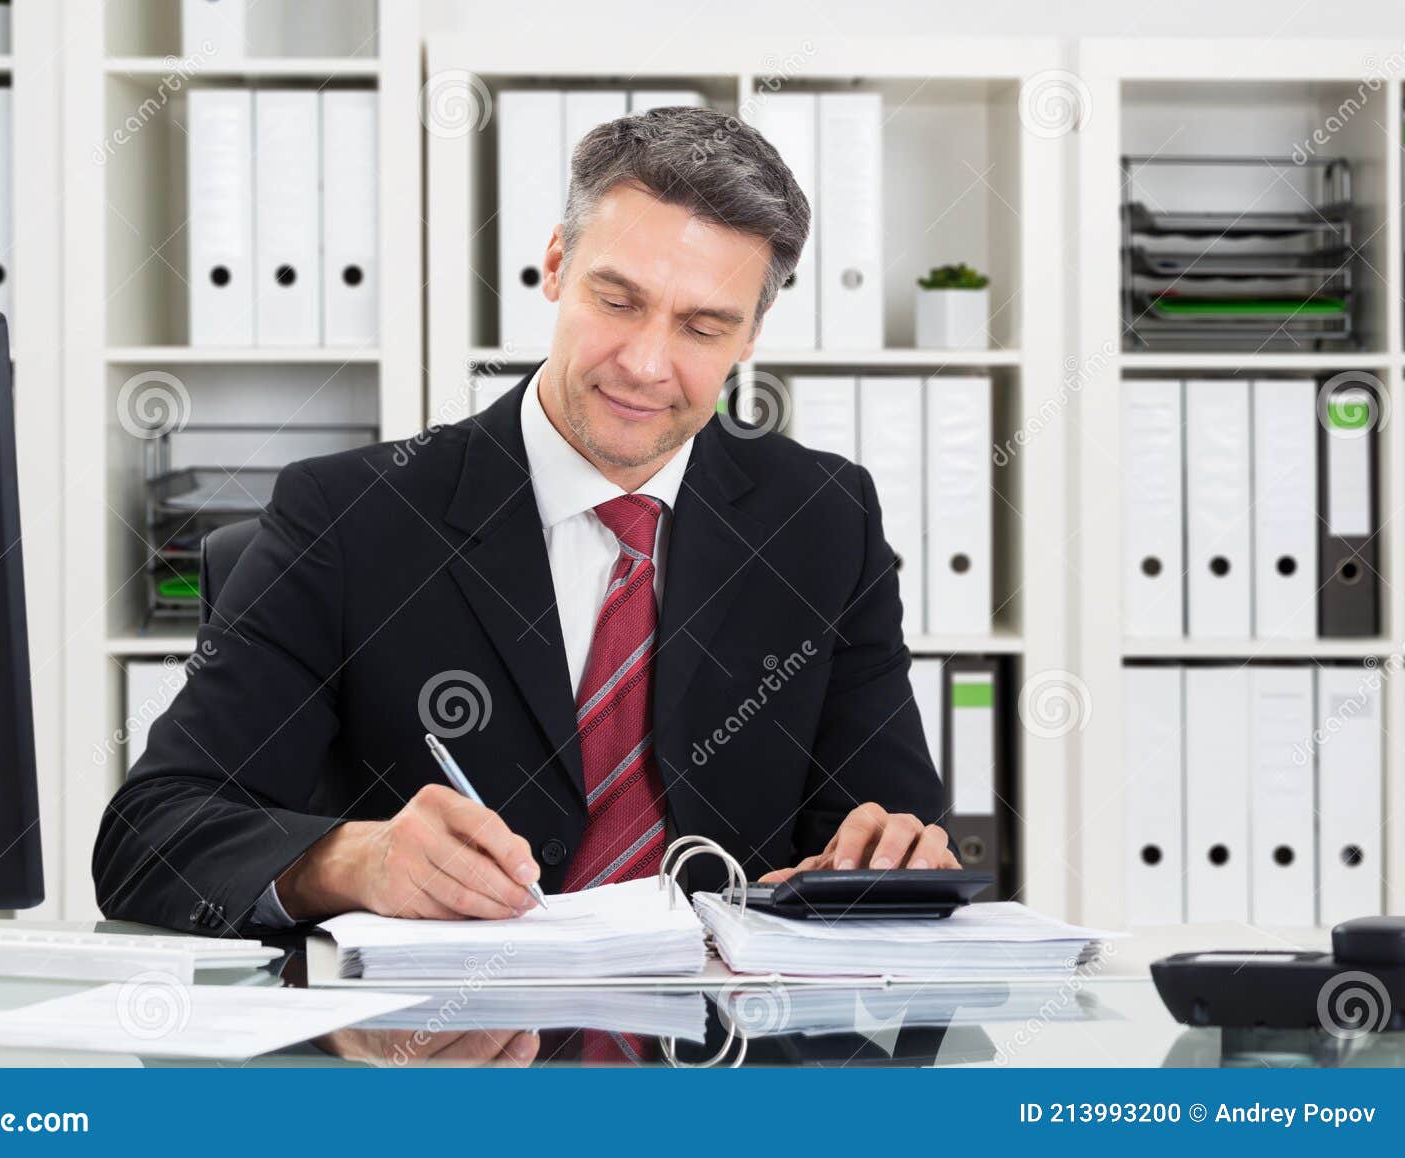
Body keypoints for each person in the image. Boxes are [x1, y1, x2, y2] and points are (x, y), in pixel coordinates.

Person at [93, 104, 959, 936]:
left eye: (702, 327)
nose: (646, 365)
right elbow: (150, 835)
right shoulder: (349, 518)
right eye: (618, 301)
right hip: (437, 1056)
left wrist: (892, 854)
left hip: (721, 1059)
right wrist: (350, 860)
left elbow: (886, 824)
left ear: (752, 335)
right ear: (554, 265)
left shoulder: (822, 521)